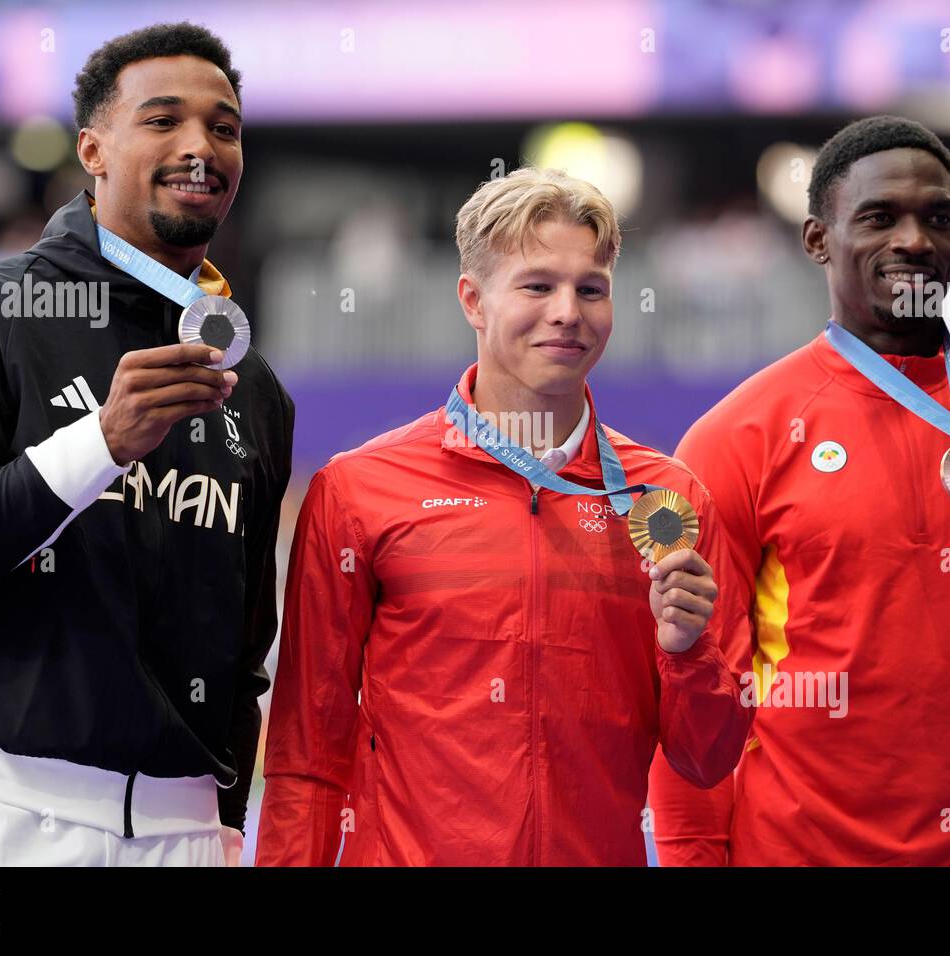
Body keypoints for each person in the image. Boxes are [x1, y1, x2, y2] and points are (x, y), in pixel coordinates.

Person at [647, 115, 950, 866]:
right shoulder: (736, 439)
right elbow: (694, 717)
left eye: (937, 217)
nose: (914, 240)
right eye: (880, 217)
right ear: (818, 240)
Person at [0, 22, 293, 866]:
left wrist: (228, 818)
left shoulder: (256, 386)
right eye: (163, 121)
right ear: (93, 149)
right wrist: (97, 443)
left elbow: (243, 644)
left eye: (225, 127)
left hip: (184, 829)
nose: (201, 147)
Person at [256, 167, 749, 866]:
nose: (567, 313)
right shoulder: (360, 489)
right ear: (473, 300)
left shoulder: (666, 501)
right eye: (537, 286)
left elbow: (709, 760)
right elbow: (308, 755)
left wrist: (688, 652)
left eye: (591, 289)